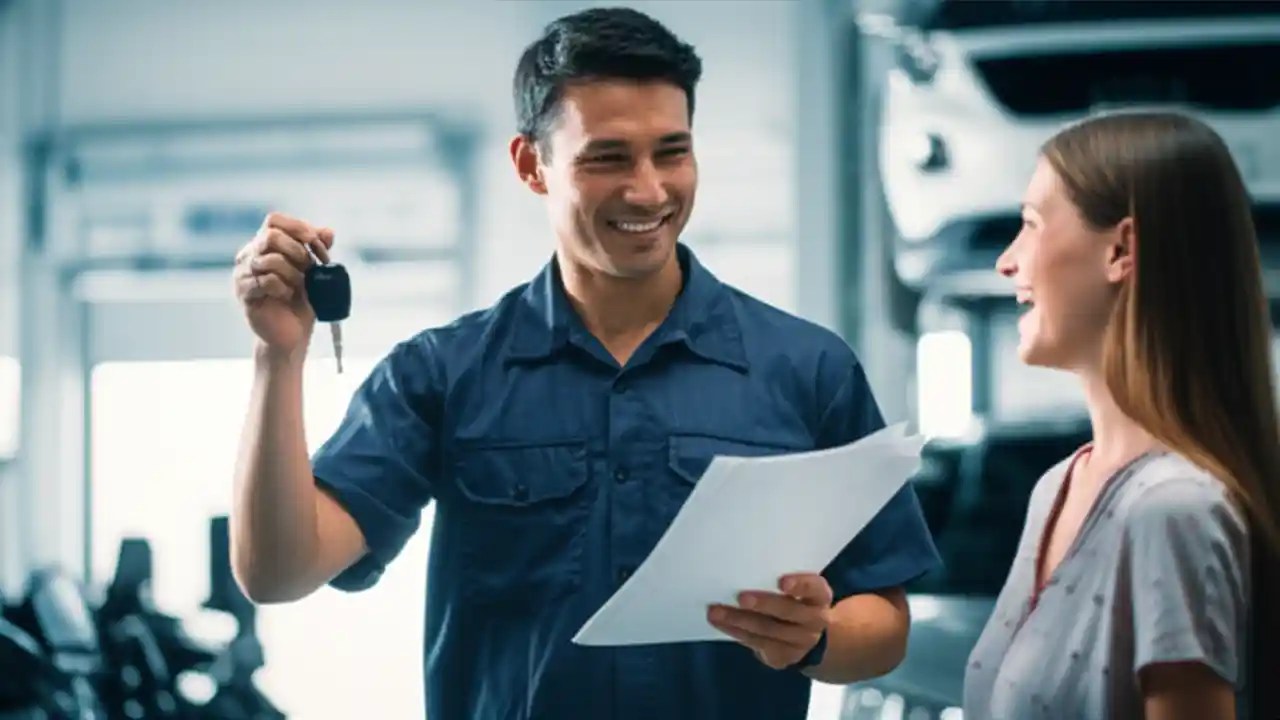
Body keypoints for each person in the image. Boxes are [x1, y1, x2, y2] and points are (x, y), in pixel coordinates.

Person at [227, 7, 941, 719]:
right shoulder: (441, 375)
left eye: (672, 151)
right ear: (531, 165)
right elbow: (278, 571)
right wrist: (277, 357)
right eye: (608, 157)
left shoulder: (807, 368)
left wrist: (817, 638)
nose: (649, 190)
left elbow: (884, 623)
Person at [965, 109, 1280, 720]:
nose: (1008, 261)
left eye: (1031, 224)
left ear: (1121, 249)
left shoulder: (1175, 509)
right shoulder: (1057, 487)